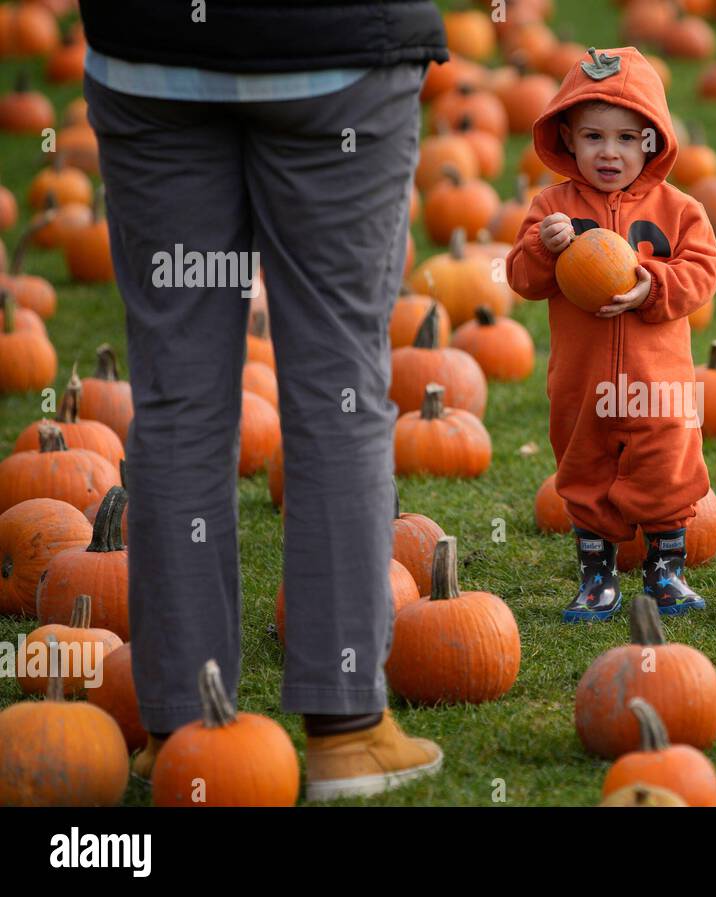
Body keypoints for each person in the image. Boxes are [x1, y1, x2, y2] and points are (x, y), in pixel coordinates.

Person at [78, 0, 451, 801]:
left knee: (177, 396)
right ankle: (346, 732)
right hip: (335, 53)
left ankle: (181, 729)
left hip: (155, 54)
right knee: (339, 387)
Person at [506, 47, 716, 623]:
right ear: (568, 139)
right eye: (594, 136)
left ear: (652, 141)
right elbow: (521, 280)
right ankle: (597, 577)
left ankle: (665, 570)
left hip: (660, 384)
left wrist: (653, 285)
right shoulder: (552, 208)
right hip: (582, 384)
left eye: (628, 138)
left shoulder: (680, 210)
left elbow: (703, 273)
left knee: (668, 470)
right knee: (585, 475)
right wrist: (542, 249)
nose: (609, 151)